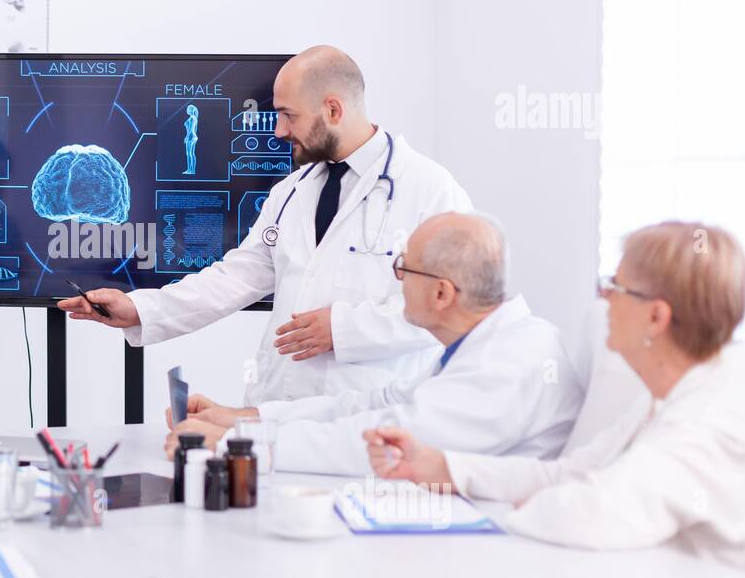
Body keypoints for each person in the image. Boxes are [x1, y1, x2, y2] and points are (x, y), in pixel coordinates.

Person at [59, 45, 472, 406]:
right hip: (277, 412)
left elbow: (454, 309)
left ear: (333, 109)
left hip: (369, 421)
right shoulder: (293, 190)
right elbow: (235, 278)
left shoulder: (430, 190)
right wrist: (139, 307)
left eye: (288, 116)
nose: (278, 131)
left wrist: (344, 329)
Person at [365, 221, 745, 571]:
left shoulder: (708, 422)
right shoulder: (668, 394)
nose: (604, 300)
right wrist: (438, 466)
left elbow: (594, 514)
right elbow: (568, 473)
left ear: (656, 317)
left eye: (615, 288)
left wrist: (533, 505)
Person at [166, 213, 585, 474]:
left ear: (441, 294)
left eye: (403, 269)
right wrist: (242, 420)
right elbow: (369, 405)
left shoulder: (509, 363)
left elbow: (377, 444)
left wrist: (232, 445)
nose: (395, 280)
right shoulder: (479, 347)